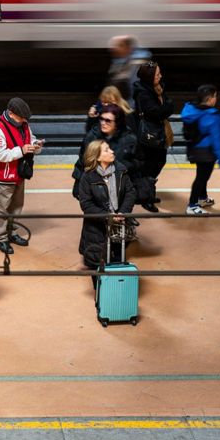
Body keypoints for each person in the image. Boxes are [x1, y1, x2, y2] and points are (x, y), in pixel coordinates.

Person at [75, 140, 134, 282]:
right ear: (97, 157)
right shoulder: (87, 177)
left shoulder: (121, 171)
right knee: (98, 267)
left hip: (119, 227)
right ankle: (101, 298)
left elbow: (130, 192)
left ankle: (116, 296)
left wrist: (123, 212)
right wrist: (108, 216)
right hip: (96, 230)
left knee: (118, 263)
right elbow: (86, 205)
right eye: (107, 150)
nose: (112, 152)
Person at [0, 98, 40, 254]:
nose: (24, 120)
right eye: (21, 117)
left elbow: (30, 138)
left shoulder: (24, 124)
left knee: (17, 207)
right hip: (5, 177)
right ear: (11, 114)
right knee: (2, 209)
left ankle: (12, 233)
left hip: (19, 174)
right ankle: (1, 239)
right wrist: (22, 150)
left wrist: (36, 144)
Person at [181, 85, 220, 215]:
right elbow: (217, 139)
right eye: (215, 96)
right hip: (207, 152)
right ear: (210, 98)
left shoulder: (192, 111)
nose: (216, 99)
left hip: (195, 149)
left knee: (201, 175)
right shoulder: (212, 116)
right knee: (202, 178)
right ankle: (192, 205)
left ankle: (202, 198)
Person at [130, 62, 172, 213]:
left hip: (157, 133)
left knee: (158, 162)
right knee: (150, 166)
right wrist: (168, 106)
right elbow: (158, 113)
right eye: (157, 74)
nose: (160, 76)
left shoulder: (156, 89)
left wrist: (166, 106)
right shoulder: (143, 94)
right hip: (149, 136)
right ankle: (146, 199)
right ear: (149, 77)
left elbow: (163, 108)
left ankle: (148, 193)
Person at [72, 104, 137, 198]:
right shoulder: (92, 136)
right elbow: (83, 161)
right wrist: (78, 185)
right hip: (94, 188)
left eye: (108, 120)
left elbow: (138, 163)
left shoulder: (129, 139)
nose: (103, 123)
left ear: (117, 123)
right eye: (101, 119)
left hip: (119, 189)